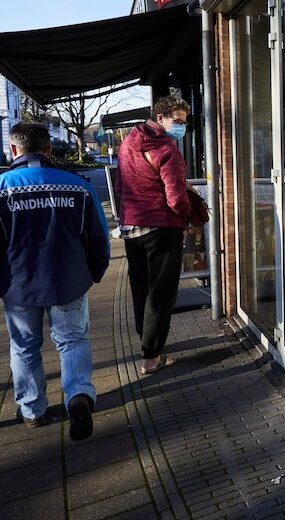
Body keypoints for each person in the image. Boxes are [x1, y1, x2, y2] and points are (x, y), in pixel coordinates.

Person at [0, 123, 109, 441]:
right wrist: (95, 270)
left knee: (24, 347)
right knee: (73, 340)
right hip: (69, 280)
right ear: (49, 149)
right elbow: (99, 236)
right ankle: (78, 396)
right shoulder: (78, 186)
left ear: (13, 150)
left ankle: (32, 410)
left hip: (20, 285)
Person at [117, 96, 192, 375]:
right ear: (160, 119)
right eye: (178, 120)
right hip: (162, 227)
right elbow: (176, 197)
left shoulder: (127, 144)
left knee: (142, 289)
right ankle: (151, 357)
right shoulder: (167, 150)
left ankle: (146, 344)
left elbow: (120, 187)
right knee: (161, 293)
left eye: (184, 122)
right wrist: (187, 216)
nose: (181, 126)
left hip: (132, 227)